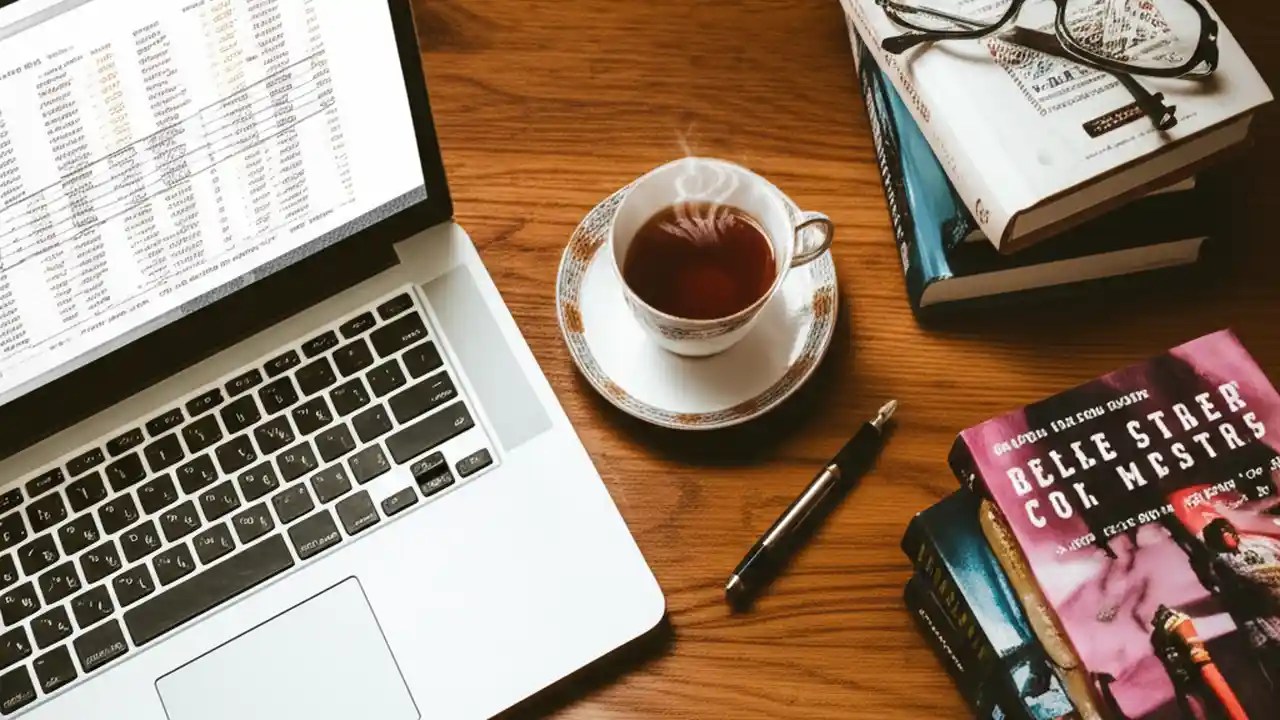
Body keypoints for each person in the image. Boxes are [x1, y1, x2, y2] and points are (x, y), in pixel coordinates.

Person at [1205, 517, 1280, 672]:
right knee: (1270, 654)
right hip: (1260, 616)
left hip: (1271, 605)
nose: (1227, 535)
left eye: (1227, 531)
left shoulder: (1261, 544)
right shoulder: (1220, 562)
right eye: (1222, 534)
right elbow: (1240, 586)